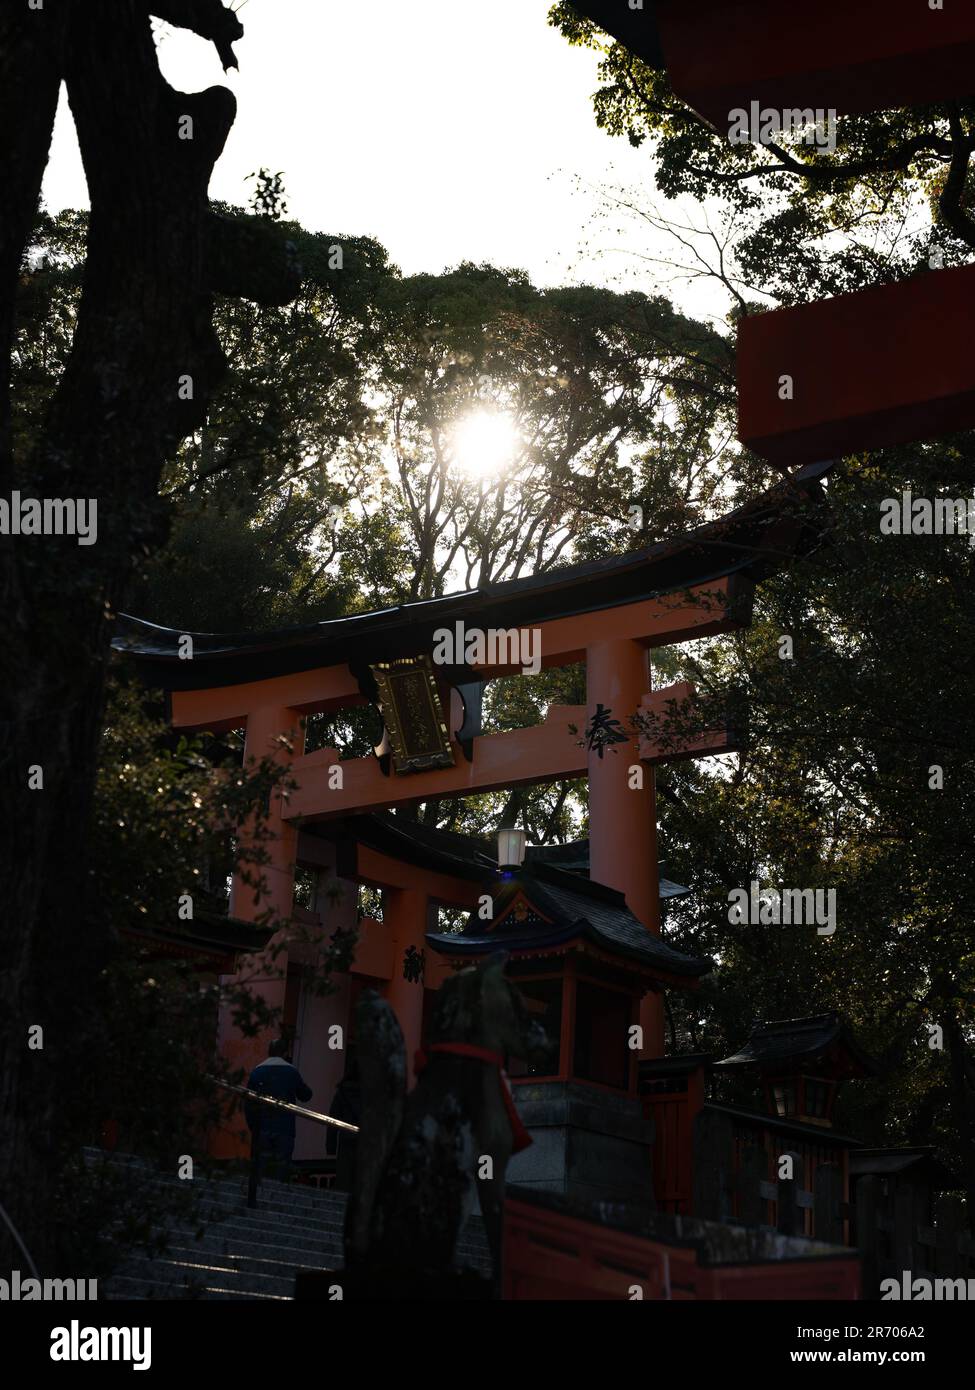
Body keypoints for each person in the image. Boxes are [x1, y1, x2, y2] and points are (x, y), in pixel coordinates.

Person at [244, 1037, 312, 1182]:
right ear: (285, 1052)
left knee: (261, 1169)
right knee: (280, 1171)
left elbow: (248, 1103)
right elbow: (306, 1095)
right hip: (284, 1128)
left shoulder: (257, 1071)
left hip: (261, 1128)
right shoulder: (291, 1072)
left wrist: (253, 1125)